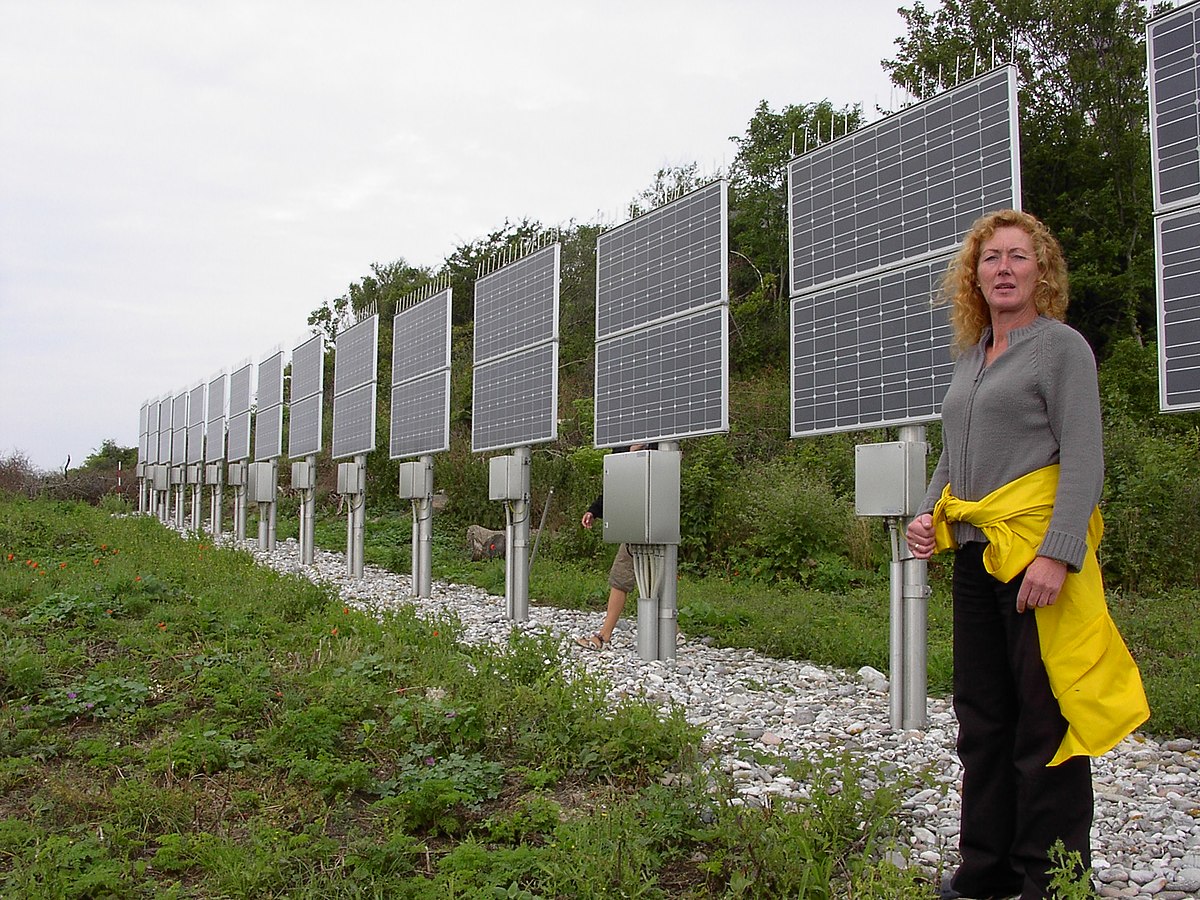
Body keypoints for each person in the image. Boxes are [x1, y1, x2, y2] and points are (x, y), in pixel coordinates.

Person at [905, 210, 1148, 900]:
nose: (1003, 268)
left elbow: (1084, 459)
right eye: (990, 258)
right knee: (982, 720)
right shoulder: (971, 355)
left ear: (1042, 271)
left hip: (1036, 559)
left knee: (1045, 721)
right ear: (973, 276)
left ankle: (1051, 878)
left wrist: (1058, 555)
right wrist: (929, 513)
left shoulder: (1059, 347)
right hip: (978, 559)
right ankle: (986, 870)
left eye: (1018, 256)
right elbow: (955, 453)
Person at [574, 444, 646, 650]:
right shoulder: (621, 448)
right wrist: (594, 511)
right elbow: (616, 486)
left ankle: (604, 636)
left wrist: (637, 455)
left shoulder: (661, 443)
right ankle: (674, 632)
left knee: (646, 579)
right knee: (626, 577)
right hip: (634, 524)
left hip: (654, 522)